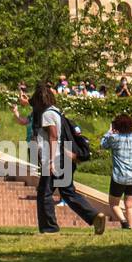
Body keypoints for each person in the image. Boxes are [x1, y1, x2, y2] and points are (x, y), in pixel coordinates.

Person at [31, 82, 107, 235]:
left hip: (55, 159)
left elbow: (53, 137)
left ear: (40, 100)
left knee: (44, 193)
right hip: (64, 159)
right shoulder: (57, 112)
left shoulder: (47, 114)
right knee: (68, 192)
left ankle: (49, 228)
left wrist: (50, 161)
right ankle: (94, 216)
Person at [100, 113, 132, 229]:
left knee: (114, 204)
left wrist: (109, 132)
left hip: (120, 176)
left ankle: (124, 222)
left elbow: (103, 145)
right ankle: (131, 228)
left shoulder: (114, 138)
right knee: (130, 205)